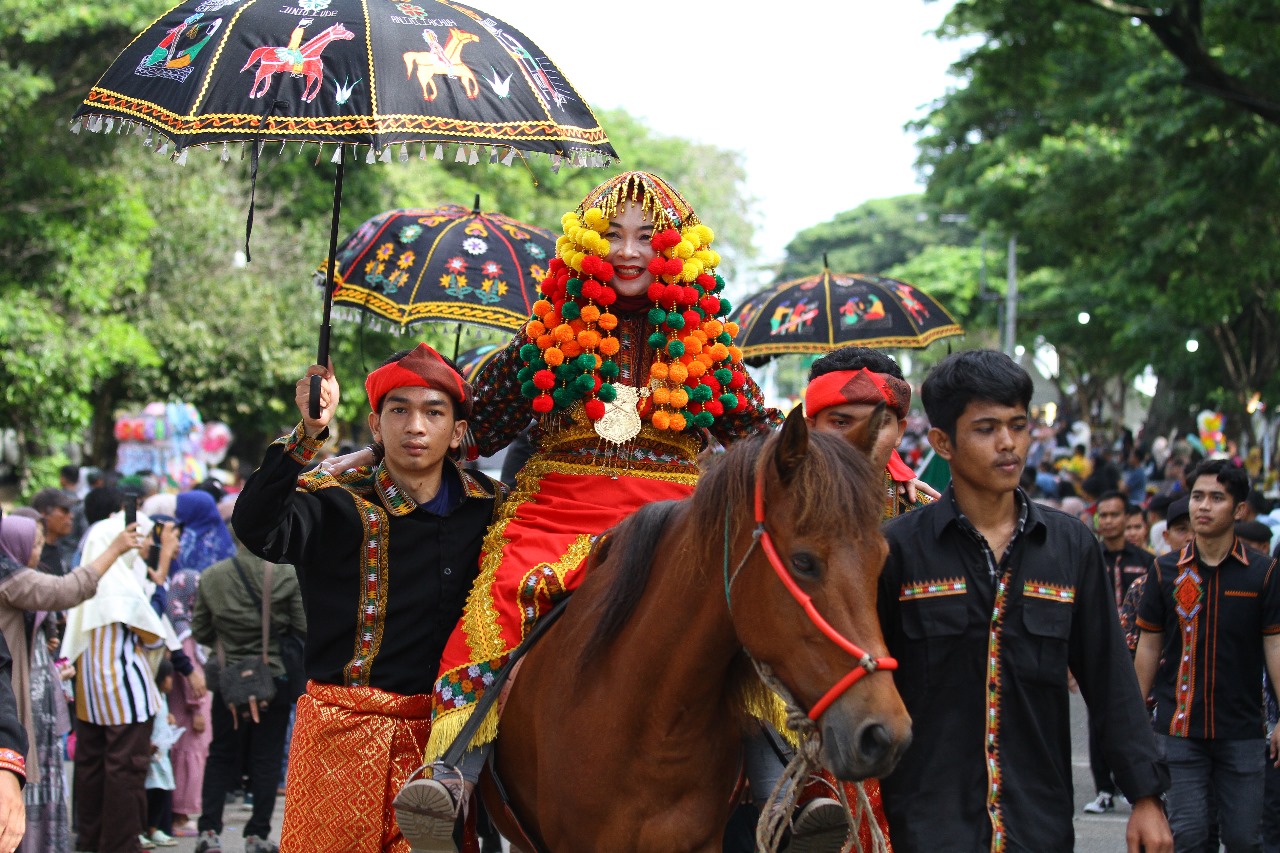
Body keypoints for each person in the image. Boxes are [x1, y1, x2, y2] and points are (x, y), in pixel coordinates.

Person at [377, 172, 781, 851]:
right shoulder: (545, 339)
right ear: (588, 246)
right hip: (556, 506)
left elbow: (763, 446)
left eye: (646, 237)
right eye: (613, 235)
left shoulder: (711, 353)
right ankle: (453, 773)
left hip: (677, 515)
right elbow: (472, 432)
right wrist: (395, 428)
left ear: (674, 251)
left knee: (738, 616)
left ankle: (786, 789)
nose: (628, 250)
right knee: (501, 595)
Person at [875, 349, 1171, 852]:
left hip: (1038, 821)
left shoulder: (1070, 545)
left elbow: (1110, 679)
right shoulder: (898, 549)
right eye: (986, 429)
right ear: (943, 442)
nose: (1008, 443)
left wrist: (1146, 796)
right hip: (929, 822)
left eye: (1018, 425)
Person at [232, 342, 505, 853]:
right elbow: (256, 527)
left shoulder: (490, 511)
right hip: (341, 736)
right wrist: (310, 435)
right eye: (398, 410)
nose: (415, 426)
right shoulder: (334, 501)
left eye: (433, 412)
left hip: (444, 750)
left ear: (457, 432)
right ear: (377, 426)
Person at [1134, 458, 1280, 852]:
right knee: (1191, 836)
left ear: (1239, 510)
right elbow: (1149, 646)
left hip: (1243, 730)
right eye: (1197, 496)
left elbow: (1275, 647)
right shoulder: (1164, 571)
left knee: (1243, 839)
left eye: (1217, 498)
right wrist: (1131, 717)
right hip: (1179, 732)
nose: (1203, 506)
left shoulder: (1264, 574)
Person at [0, 514, 144, 853]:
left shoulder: (13, 576)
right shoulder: (10, 579)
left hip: (31, 700)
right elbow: (68, 589)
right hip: (17, 706)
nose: (39, 552)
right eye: (34, 544)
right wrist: (116, 549)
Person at [63, 504, 183, 853]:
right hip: (126, 693)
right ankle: (118, 843)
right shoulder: (120, 588)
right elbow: (154, 635)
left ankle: (91, 838)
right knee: (125, 772)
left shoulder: (86, 585)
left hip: (89, 692)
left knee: (91, 770)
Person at [190, 546, 305, 853]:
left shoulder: (212, 576)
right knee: (266, 760)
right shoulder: (285, 574)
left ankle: (209, 831)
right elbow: (302, 625)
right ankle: (256, 835)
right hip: (272, 677)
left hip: (229, 681)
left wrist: (228, 644)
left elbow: (200, 630)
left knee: (220, 755)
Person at [1082, 490, 1158, 814]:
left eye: (1116, 515)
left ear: (1128, 519)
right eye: (1104, 515)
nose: (1110, 521)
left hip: (1138, 651)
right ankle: (1103, 790)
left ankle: (1136, 785)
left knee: (1136, 719)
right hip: (1096, 649)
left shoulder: (1146, 562)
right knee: (1098, 718)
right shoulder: (1089, 557)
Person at [145, 658, 180, 849]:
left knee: (162, 790)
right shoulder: (150, 696)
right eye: (169, 677)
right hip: (151, 754)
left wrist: (169, 720)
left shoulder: (163, 697)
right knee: (148, 791)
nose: (171, 682)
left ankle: (153, 827)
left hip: (161, 754)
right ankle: (142, 828)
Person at [29, 489, 75, 577]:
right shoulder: (34, 556)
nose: (71, 516)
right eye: (65, 511)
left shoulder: (58, 548)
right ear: (44, 515)